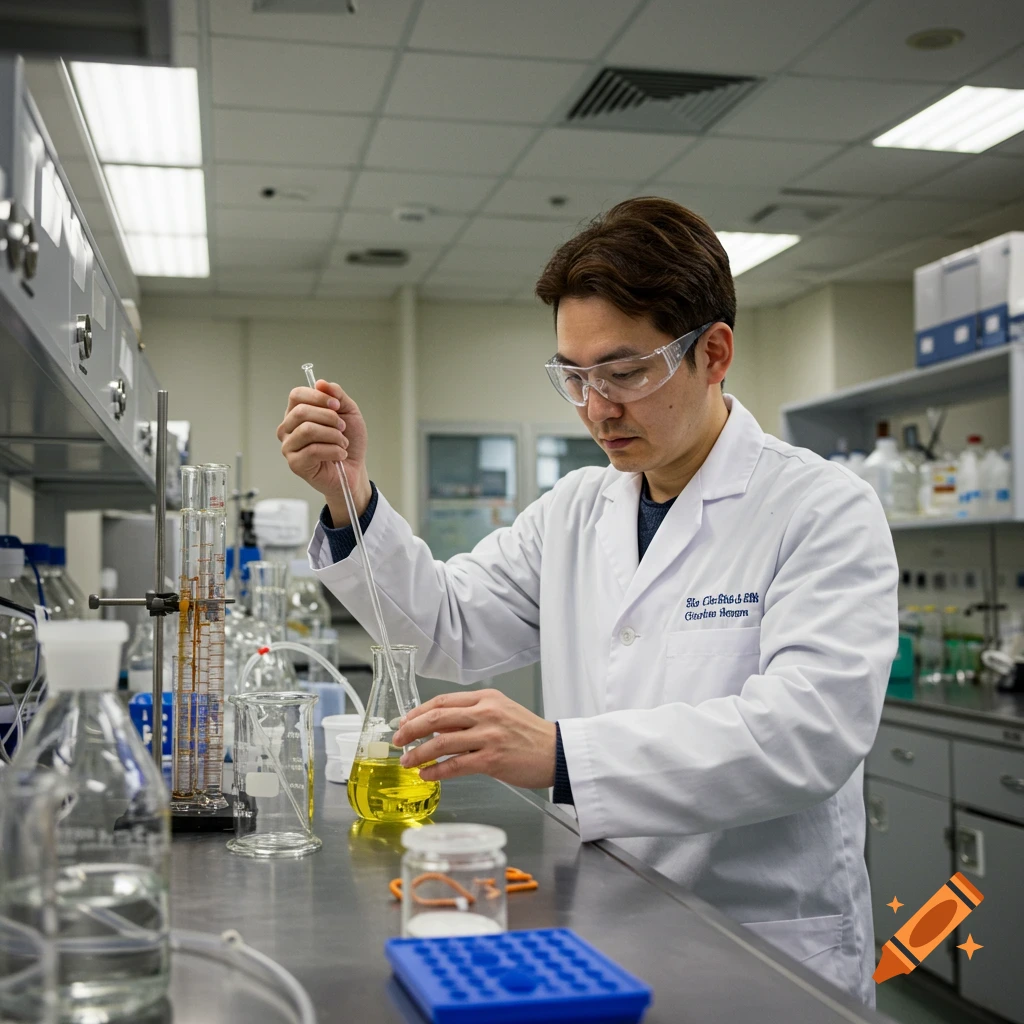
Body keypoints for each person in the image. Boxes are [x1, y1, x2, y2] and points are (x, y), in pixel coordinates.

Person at [277, 197, 898, 1006]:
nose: (596, 407)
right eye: (574, 376)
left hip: (760, 944)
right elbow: (440, 626)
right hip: (601, 921)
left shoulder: (820, 507)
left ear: (714, 353)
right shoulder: (575, 509)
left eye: (625, 372)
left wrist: (565, 755)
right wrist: (346, 495)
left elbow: (809, 734)